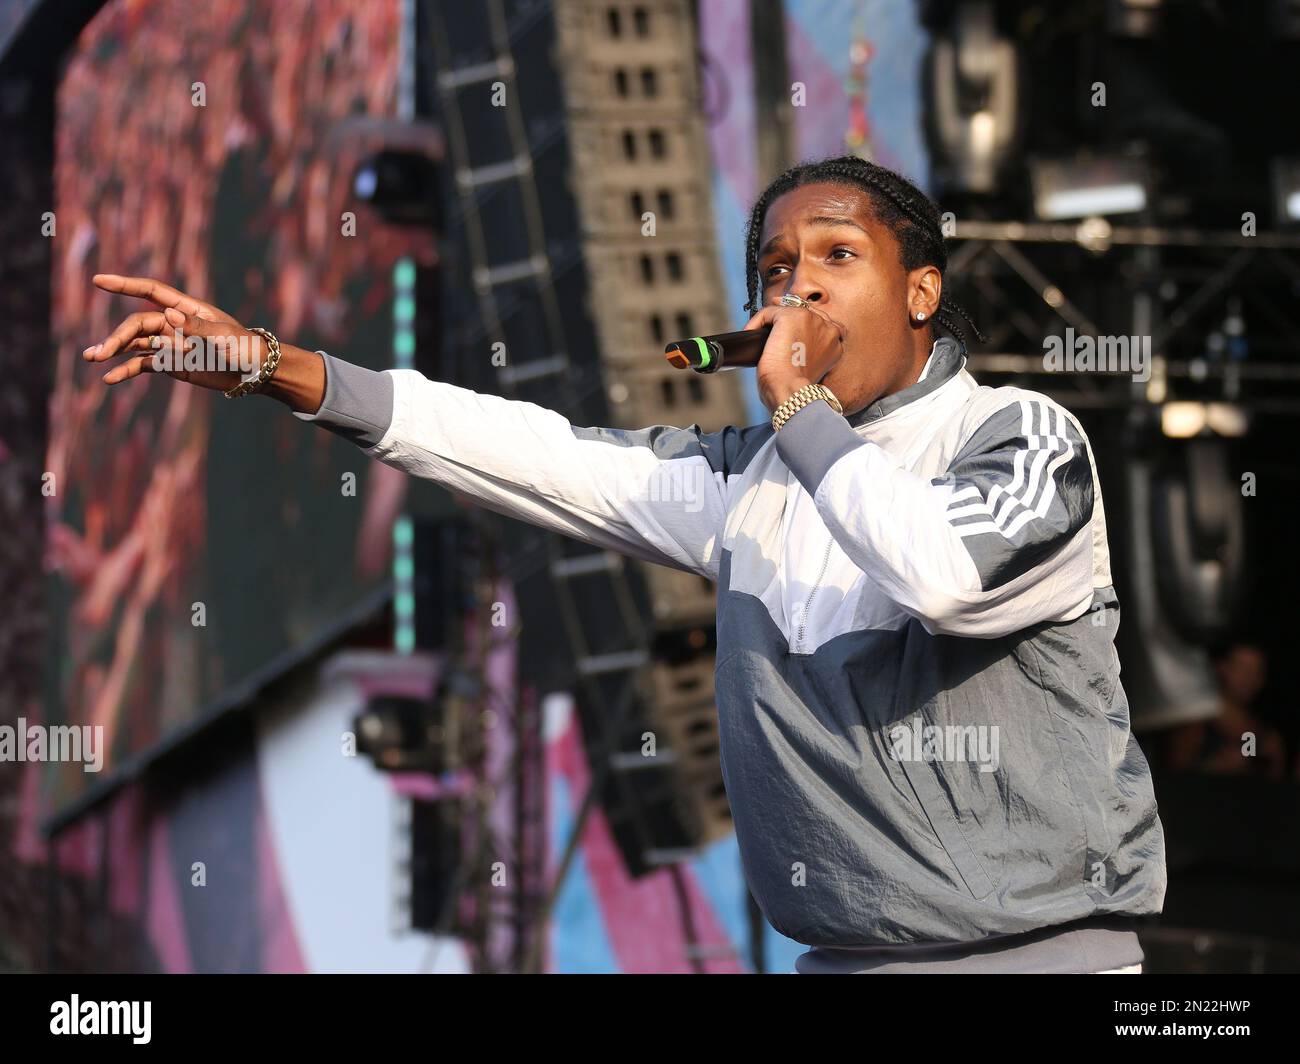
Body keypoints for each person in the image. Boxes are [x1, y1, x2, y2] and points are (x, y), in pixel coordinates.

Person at [84, 154, 1166, 973]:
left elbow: (940, 573)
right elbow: (537, 452)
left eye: (839, 257)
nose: (802, 291)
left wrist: (795, 408)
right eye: (777, 270)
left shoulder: (1023, 437)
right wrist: (275, 365)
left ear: (922, 291)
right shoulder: (752, 485)